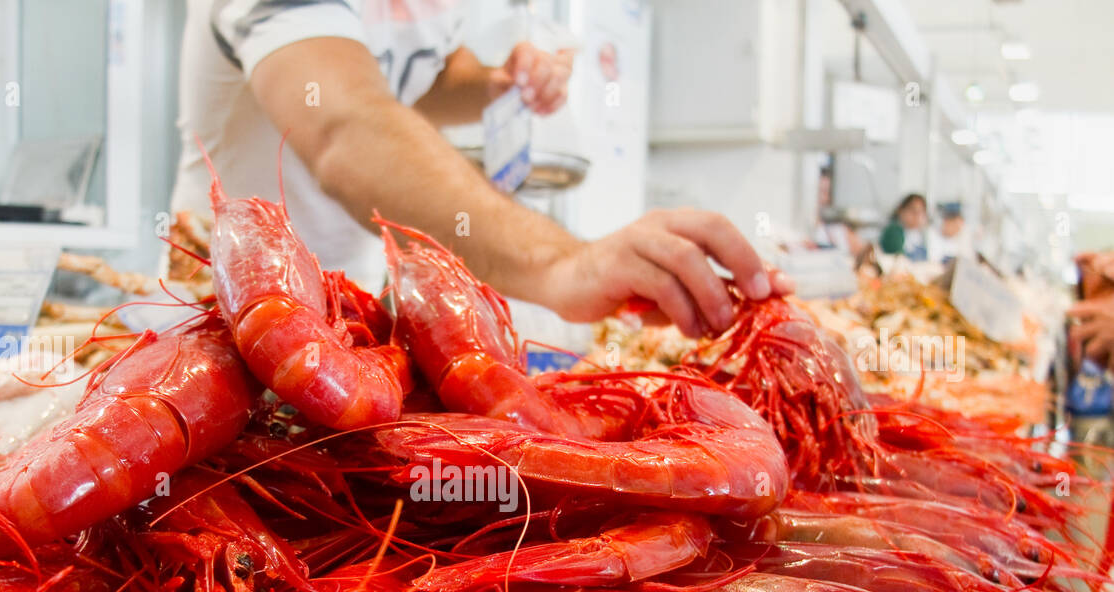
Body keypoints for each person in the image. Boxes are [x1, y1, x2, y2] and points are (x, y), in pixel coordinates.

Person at [171, 0, 792, 338]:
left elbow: (421, 77)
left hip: (347, 307)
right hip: (221, 311)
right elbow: (345, 125)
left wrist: (499, 82)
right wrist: (563, 263)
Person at [878, 193, 929, 262]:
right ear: (901, 210)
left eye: (921, 212)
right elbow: (899, 259)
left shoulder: (921, 235)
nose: (917, 216)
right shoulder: (894, 231)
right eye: (913, 211)